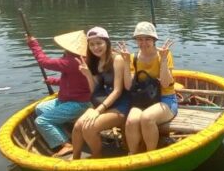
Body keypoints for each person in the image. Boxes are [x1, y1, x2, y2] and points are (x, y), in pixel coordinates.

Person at [27, 30, 92, 157]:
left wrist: (33, 44)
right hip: (67, 100)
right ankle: (64, 134)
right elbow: (73, 82)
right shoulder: (76, 60)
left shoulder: (72, 61)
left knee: (41, 121)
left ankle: (66, 144)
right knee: (40, 109)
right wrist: (53, 81)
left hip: (78, 103)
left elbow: (43, 62)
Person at [70, 27, 132, 160]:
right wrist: (87, 75)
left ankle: (97, 156)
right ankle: (75, 158)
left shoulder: (117, 59)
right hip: (104, 102)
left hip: (121, 104)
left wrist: (98, 111)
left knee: (88, 128)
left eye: (99, 43)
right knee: (77, 127)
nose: (95, 47)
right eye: (92, 44)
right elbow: (95, 91)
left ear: (107, 43)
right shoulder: (94, 61)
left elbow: (117, 91)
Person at [124, 22, 176, 154]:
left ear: (154, 40)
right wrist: (125, 63)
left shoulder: (164, 55)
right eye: (140, 39)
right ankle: (133, 154)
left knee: (147, 118)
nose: (144, 43)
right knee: (131, 120)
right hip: (143, 99)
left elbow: (165, 84)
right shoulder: (133, 58)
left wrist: (163, 60)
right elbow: (128, 85)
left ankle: (150, 154)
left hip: (166, 99)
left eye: (147, 39)